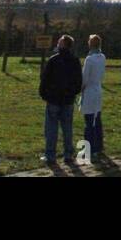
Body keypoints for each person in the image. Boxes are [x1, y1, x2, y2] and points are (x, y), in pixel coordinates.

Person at [39, 34, 82, 165]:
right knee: (67, 128)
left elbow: (45, 79)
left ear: (63, 44)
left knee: (51, 128)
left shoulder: (53, 60)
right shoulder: (75, 61)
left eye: (59, 42)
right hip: (68, 100)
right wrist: (73, 93)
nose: (57, 44)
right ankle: (68, 154)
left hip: (53, 99)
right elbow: (78, 81)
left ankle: (50, 155)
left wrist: (43, 94)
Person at [80, 34, 106, 162]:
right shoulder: (102, 57)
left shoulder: (89, 59)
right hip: (98, 90)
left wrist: (80, 88)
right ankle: (99, 146)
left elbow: (84, 78)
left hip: (90, 91)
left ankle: (89, 149)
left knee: (89, 121)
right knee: (97, 119)